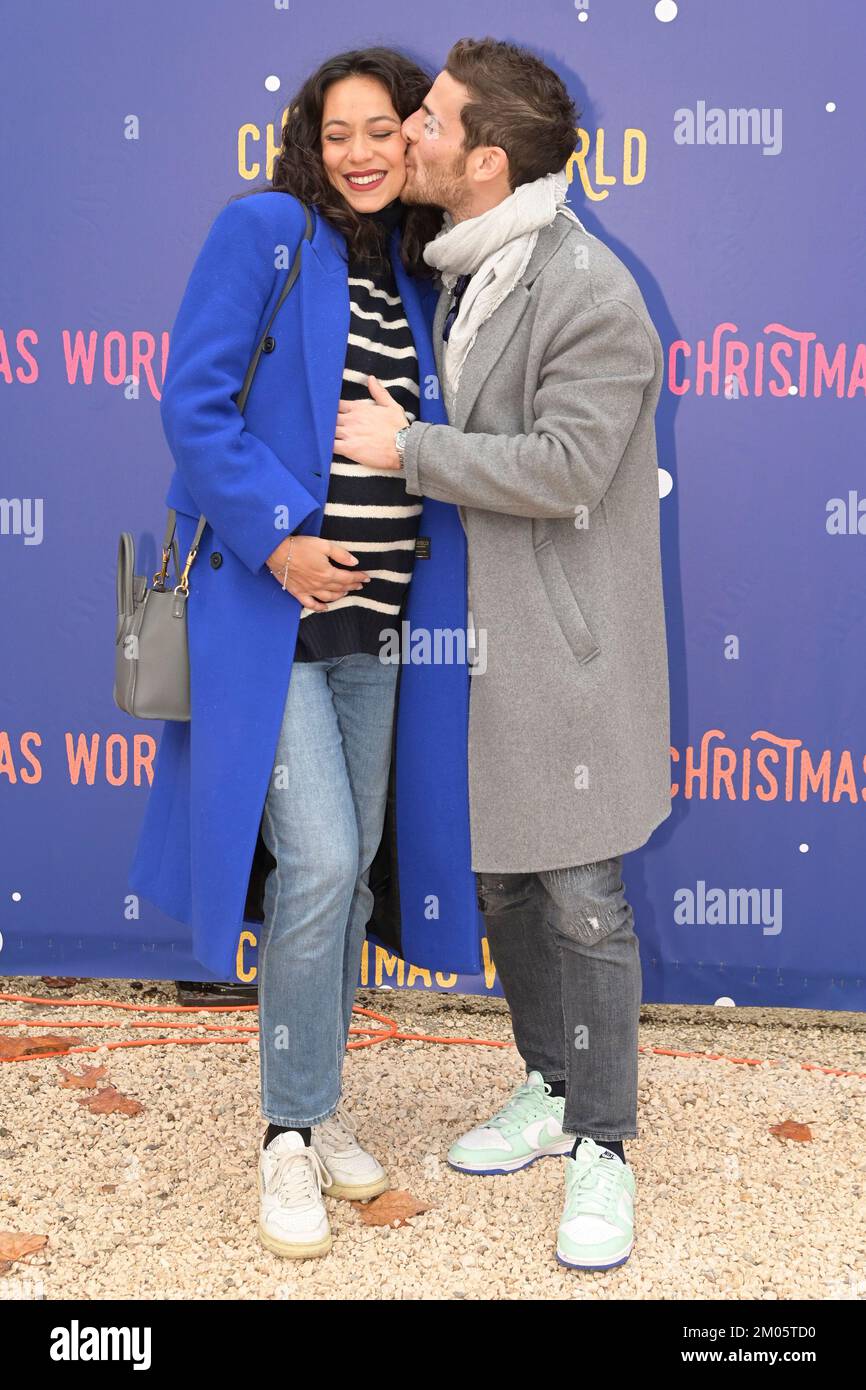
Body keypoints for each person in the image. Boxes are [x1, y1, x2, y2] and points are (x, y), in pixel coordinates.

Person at [335, 36, 673, 1272]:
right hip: (471, 651)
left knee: (582, 898)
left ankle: (602, 1143)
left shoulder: (590, 289)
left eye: (425, 118)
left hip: (567, 656)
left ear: (484, 159)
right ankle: (547, 1079)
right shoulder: (456, 267)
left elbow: (568, 467)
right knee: (503, 885)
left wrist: (407, 450)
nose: (405, 132)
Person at [129, 48, 456, 1261]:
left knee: (352, 865)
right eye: (338, 134)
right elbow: (194, 404)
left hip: (376, 625)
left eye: (384, 130)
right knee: (317, 859)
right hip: (272, 617)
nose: (362, 153)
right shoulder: (265, 231)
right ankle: (284, 1132)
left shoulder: (416, 277)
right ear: (306, 146)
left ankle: (316, 1115)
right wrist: (279, 540)